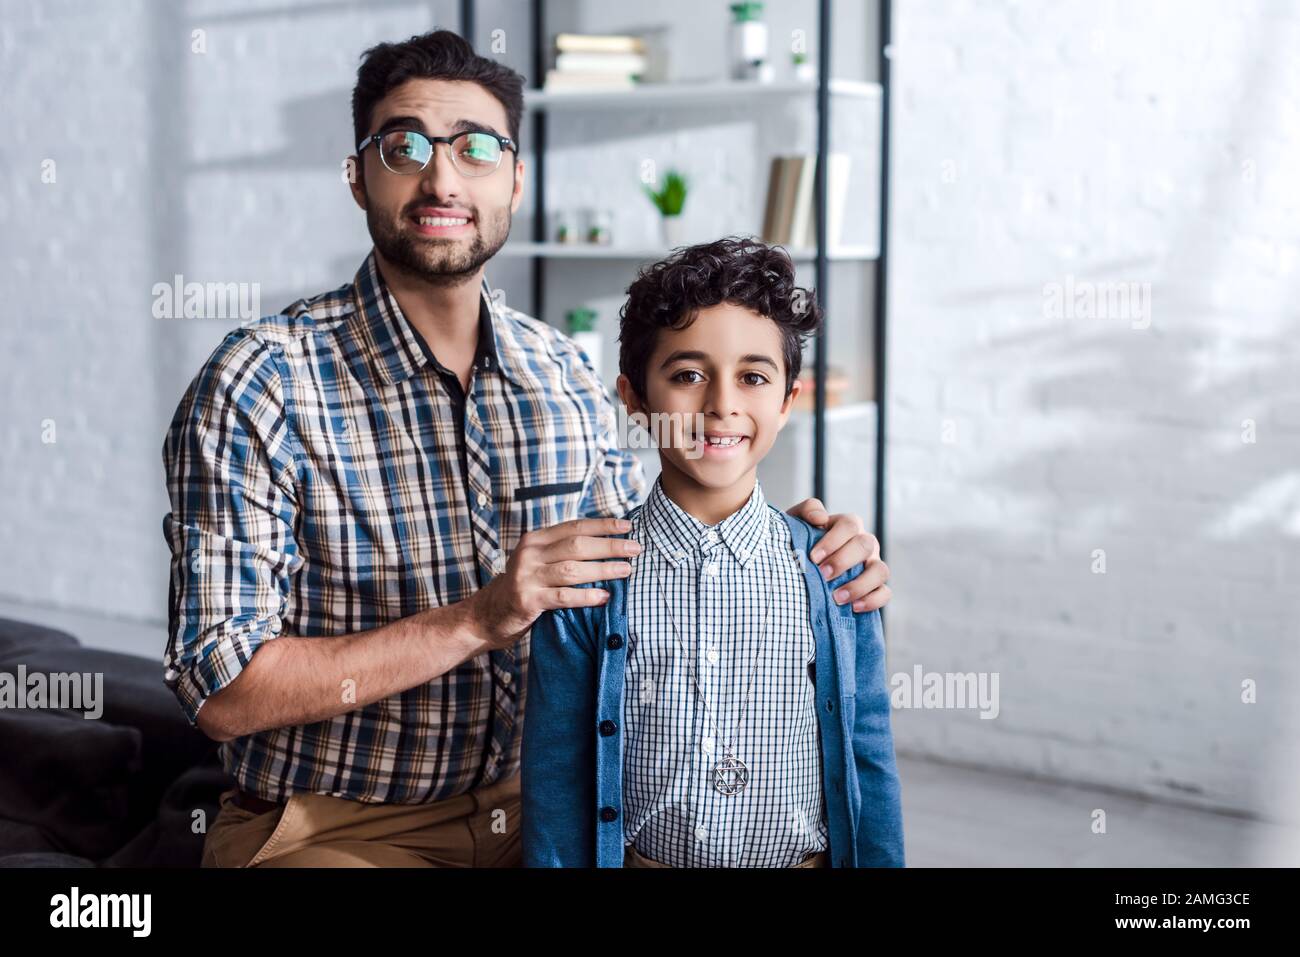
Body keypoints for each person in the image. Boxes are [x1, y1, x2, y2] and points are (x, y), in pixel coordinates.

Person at [162, 31, 891, 869]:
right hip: (337, 827)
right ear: (358, 176)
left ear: (515, 179)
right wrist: (480, 617)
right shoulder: (259, 383)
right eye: (405, 147)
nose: (442, 178)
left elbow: (650, 544)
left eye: (476, 148)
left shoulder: (565, 371)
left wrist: (798, 546)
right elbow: (221, 691)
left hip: (545, 807)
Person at [521, 238, 904, 868]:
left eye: (753, 377)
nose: (722, 404)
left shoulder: (836, 571)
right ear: (636, 399)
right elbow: (557, 773)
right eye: (688, 375)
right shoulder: (586, 583)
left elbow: (869, 752)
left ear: (786, 402)